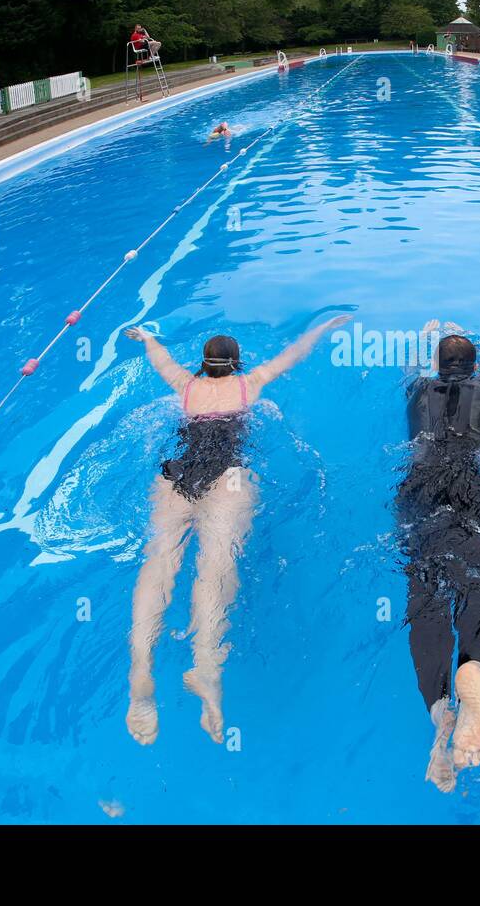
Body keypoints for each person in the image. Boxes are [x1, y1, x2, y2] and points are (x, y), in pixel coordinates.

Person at [123, 314, 350, 745]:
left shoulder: (184, 387)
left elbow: (161, 359)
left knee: (160, 561)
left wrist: (148, 337)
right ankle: (206, 668)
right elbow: (293, 354)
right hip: (227, 478)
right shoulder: (250, 385)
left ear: (202, 365)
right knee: (216, 565)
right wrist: (322, 327)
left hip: (177, 474)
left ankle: (140, 668)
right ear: (238, 364)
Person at [397, 321, 480, 792]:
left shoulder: (420, 388)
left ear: (436, 367)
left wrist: (427, 342)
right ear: (474, 366)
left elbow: (410, 369)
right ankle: (477, 667)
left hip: (421, 486)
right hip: (471, 483)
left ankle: (440, 707)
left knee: (425, 590)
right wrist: (473, 344)